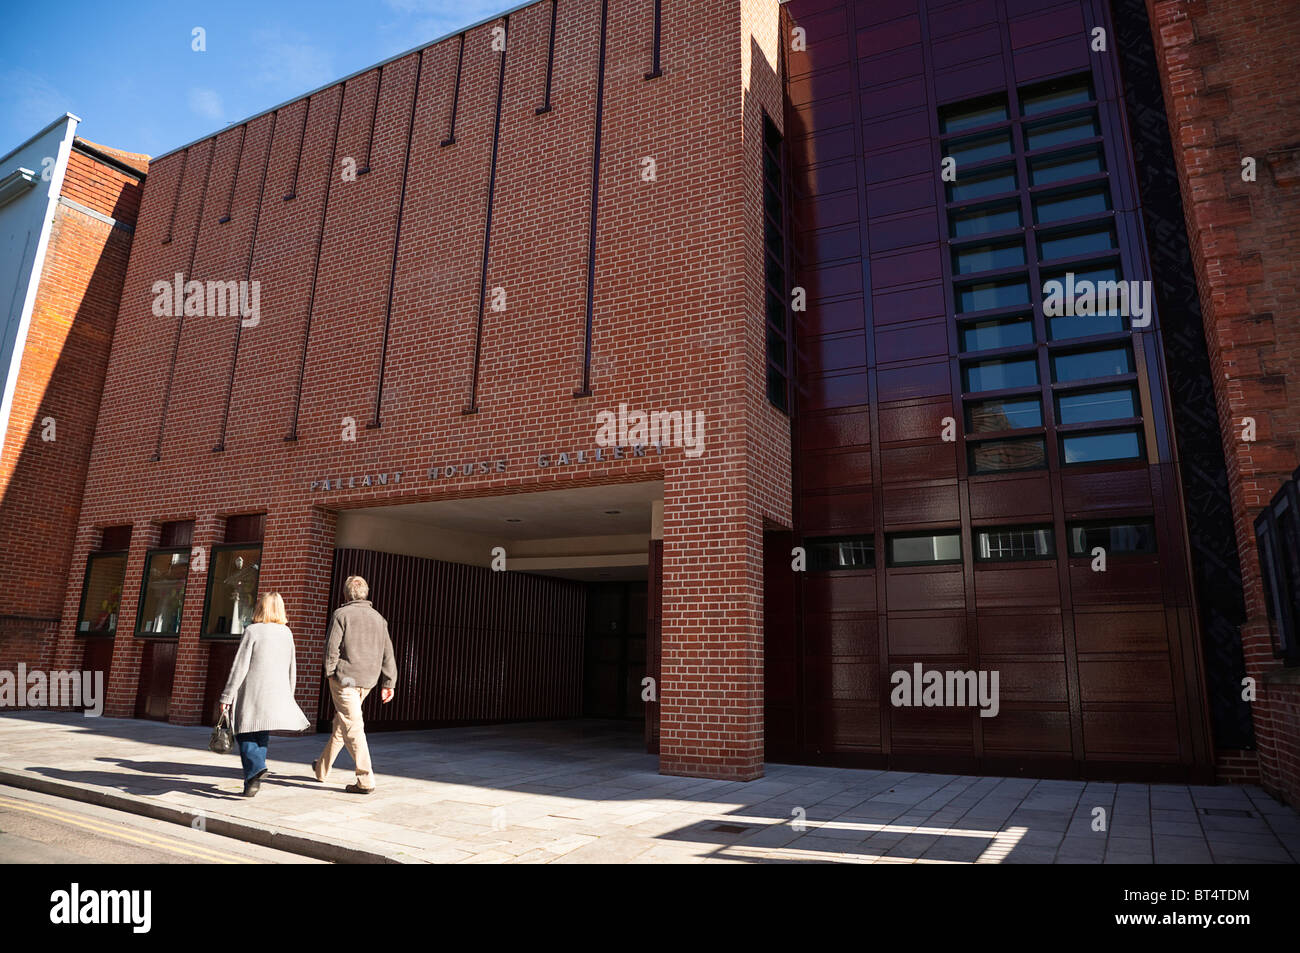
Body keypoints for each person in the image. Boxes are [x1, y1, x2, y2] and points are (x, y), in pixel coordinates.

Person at [219, 592, 311, 797]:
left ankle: (256, 769)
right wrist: (290, 693)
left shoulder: (253, 631)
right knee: (261, 733)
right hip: (276, 691)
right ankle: (252, 781)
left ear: (260, 608)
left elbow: (239, 667)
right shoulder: (286, 633)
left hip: (253, 690)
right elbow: (291, 666)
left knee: (243, 732)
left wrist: (227, 696)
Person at [312, 575, 396, 794]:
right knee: (344, 723)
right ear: (365, 593)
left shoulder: (341, 614)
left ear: (346, 594)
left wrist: (331, 673)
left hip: (345, 679)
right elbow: (388, 652)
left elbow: (331, 648)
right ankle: (321, 769)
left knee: (352, 726)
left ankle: (365, 779)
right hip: (368, 680)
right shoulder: (379, 618)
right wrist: (389, 682)